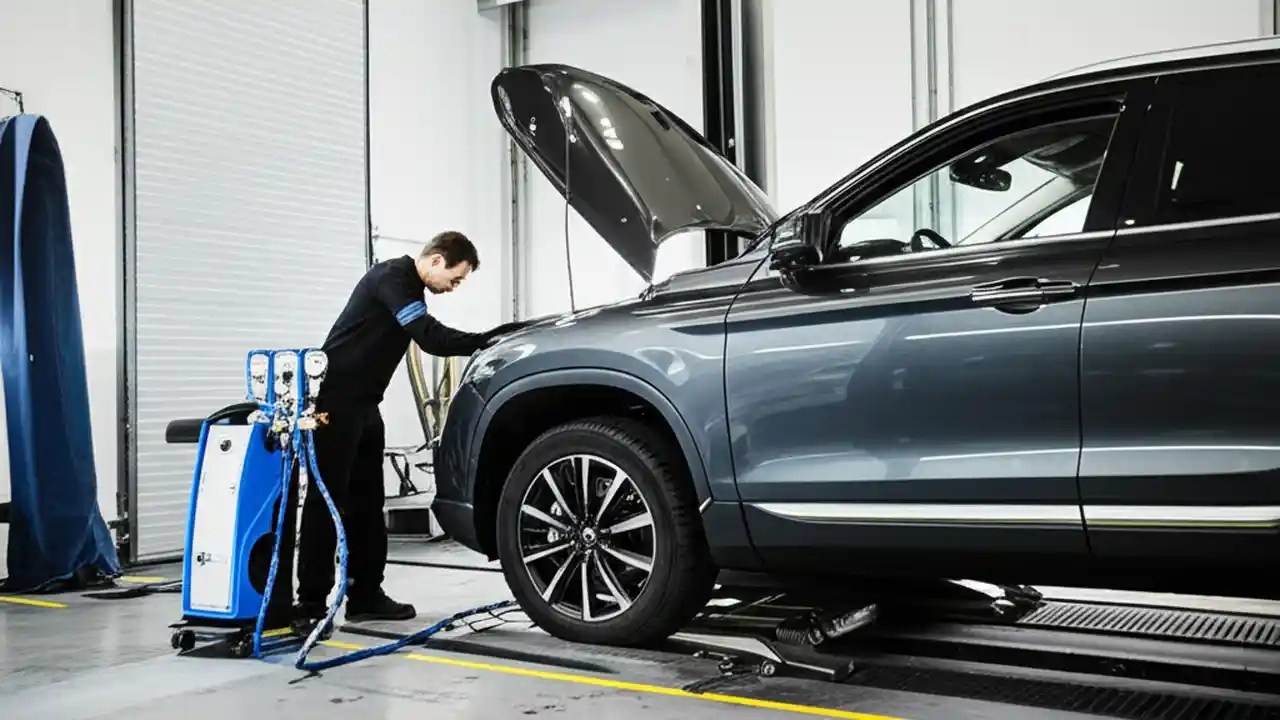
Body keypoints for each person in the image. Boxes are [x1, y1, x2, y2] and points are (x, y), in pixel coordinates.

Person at [293, 231, 518, 624]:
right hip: (334, 404)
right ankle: (310, 602)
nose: (454, 287)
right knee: (326, 499)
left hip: (365, 406)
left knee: (367, 503)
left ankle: (365, 594)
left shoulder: (409, 287)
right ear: (436, 260)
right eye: (455, 278)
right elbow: (430, 338)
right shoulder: (393, 278)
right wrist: (487, 341)